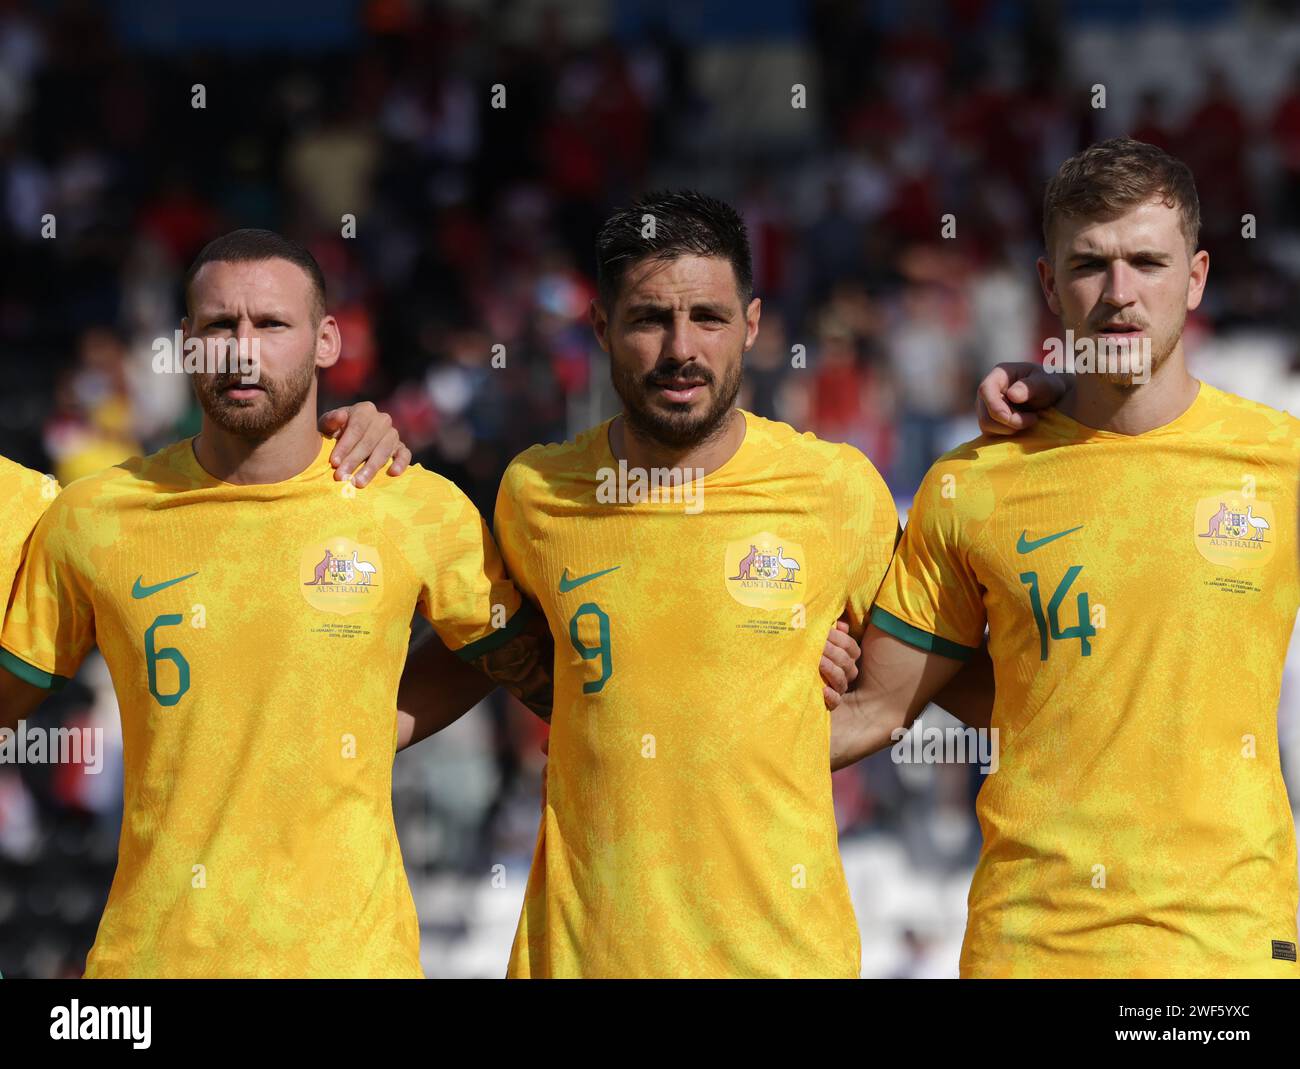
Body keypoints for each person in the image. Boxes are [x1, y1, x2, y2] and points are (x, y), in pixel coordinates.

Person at [0, 229, 553, 978]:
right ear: (186, 343)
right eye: (220, 326)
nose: (242, 348)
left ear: (327, 340)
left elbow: (514, 663)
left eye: (272, 325)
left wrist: (368, 723)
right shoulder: (95, 518)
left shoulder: (413, 506)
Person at [488, 190, 991, 978]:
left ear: (752, 326)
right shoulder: (535, 496)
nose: (681, 347)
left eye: (710, 319)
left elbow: (907, 683)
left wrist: (785, 708)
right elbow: (538, 667)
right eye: (649, 318)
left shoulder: (836, 492)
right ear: (601, 329)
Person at [835, 138, 1299, 978]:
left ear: (1194, 278)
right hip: (1033, 947)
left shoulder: (1282, 462)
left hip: (1228, 953)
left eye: (1147, 263)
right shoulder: (973, 483)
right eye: (1090, 265)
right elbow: (876, 708)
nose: (1120, 295)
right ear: (1050, 286)